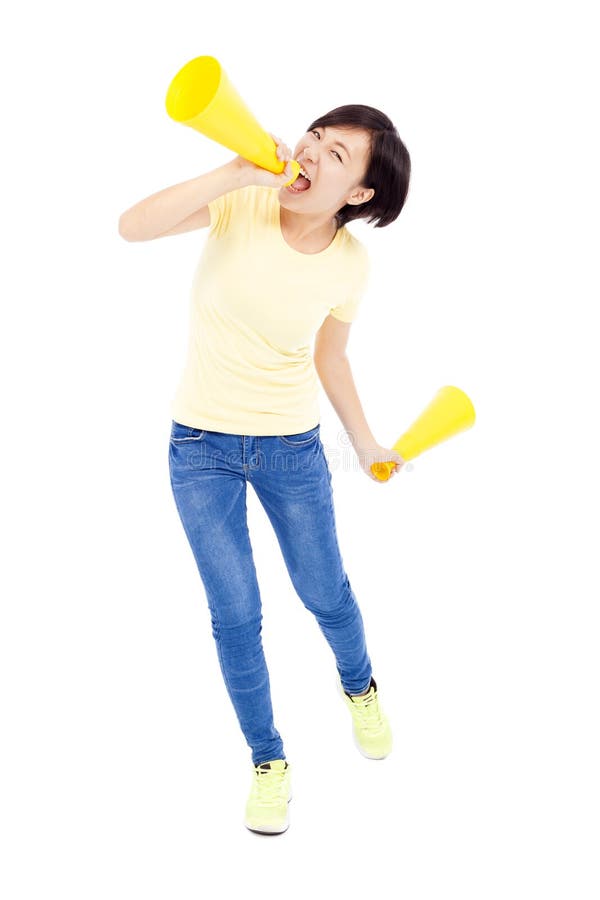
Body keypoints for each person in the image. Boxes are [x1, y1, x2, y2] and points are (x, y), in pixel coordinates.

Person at [118, 104, 411, 835]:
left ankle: (360, 686)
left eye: (338, 154)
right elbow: (133, 226)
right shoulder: (242, 201)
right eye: (315, 134)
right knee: (236, 616)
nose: (311, 149)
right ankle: (268, 760)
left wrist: (368, 442)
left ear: (360, 195)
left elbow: (331, 356)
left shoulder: (350, 264)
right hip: (199, 450)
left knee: (324, 592)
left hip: (290, 449)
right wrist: (230, 172)